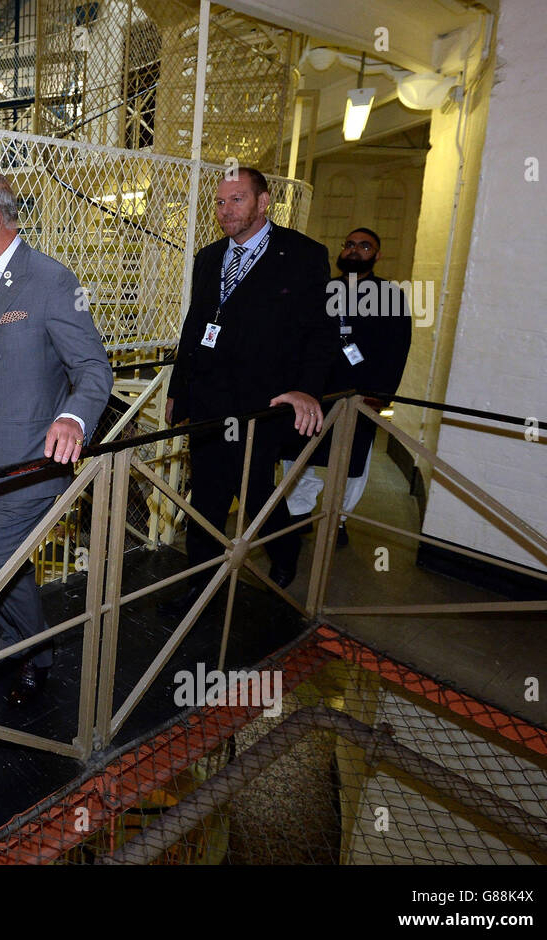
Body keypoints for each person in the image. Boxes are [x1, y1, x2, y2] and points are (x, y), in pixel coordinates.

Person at [0, 169, 112, 705]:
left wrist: (74, 419)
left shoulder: (53, 281)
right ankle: (14, 647)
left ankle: (38, 655)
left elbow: (93, 368)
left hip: (33, 463)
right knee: (13, 568)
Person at [162, 167, 337, 619]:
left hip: (264, 405)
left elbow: (320, 332)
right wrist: (178, 391)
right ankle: (199, 591)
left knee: (255, 491)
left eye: (237, 200)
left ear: (263, 203)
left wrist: (306, 389)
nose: (225, 211)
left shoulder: (303, 255)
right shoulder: (207, 257)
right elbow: (194, 327)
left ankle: (283, 549)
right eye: (220, 202)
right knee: (207, 498)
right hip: (208, 402)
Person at [282, 227, 412, 547]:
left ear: (377, 255)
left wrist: (381, 395)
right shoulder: (323, 290)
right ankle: (298, 512)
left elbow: (397, 349)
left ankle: (338, 518)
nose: (355, 251)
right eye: (350, 244)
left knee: (352, 460)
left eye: (365, 246)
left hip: (360, 393)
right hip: (316, 388)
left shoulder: (390, 295)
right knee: (298, 451)